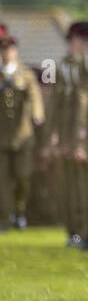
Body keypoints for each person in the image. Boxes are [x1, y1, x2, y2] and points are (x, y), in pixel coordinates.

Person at [0, 27, 44, 229]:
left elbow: (35, 96)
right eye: (3, 49)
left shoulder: (25, 74)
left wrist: (37, 114)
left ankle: (19, 211)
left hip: (22, 135)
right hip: (1, 135)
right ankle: (5, 217)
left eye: (10, 49)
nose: (7, 53)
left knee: (22, 177)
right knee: (2, 179)